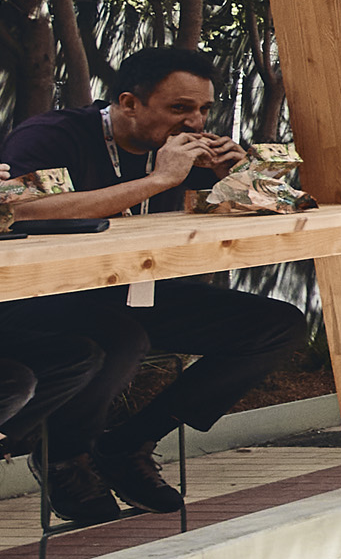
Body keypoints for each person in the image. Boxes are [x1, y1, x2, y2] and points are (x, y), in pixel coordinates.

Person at [0, 45, 306, 522]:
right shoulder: (54, 136)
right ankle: (64, 457)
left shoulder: (186, 154)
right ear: (128, 103)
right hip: (52, 298)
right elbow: (18, 211)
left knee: (277, 324)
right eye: (179, 108)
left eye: (204, 109)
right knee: (123, 337)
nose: (196, 123)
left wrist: (240, 180)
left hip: (143, 291)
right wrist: (159, 181)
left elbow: (272, 212)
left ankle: (128, 444)